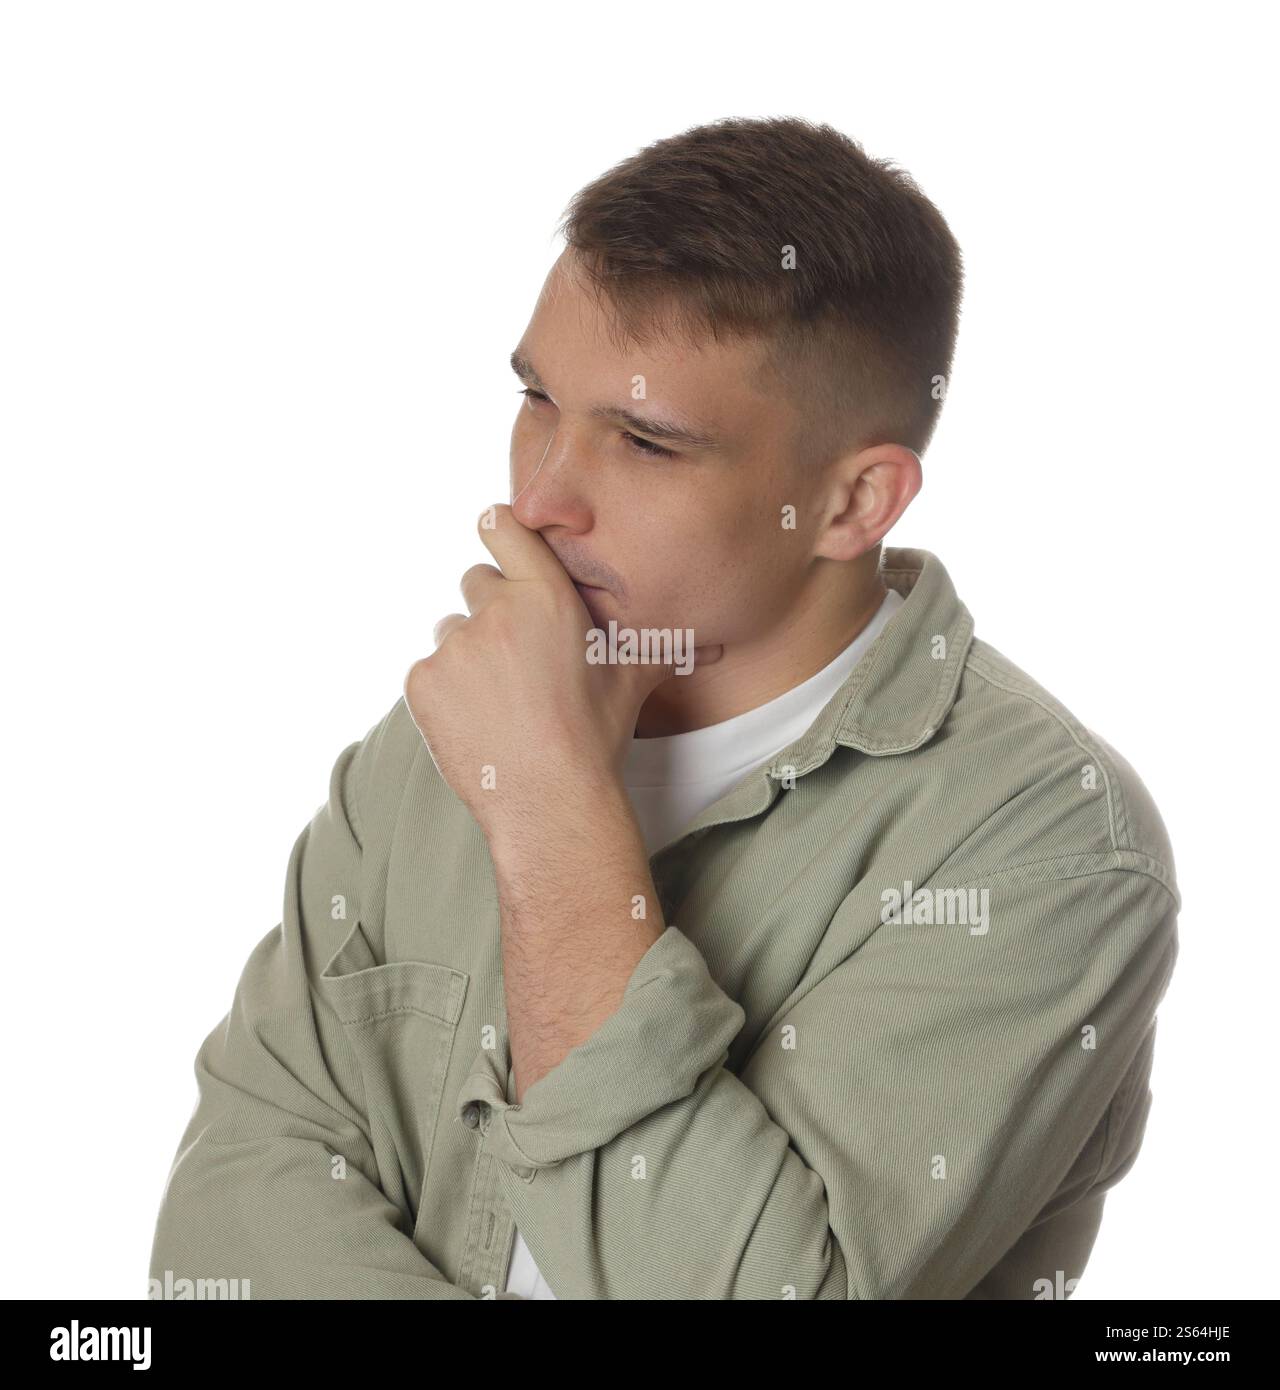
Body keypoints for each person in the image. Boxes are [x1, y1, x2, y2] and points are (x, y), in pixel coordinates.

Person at [149, 116, 1178, 1300]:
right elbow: (229, 1211)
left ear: (850, 503)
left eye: (643, 440)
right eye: (537, 396)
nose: (534, 499)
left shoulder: (1047, 845)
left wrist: (546, 809)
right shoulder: (446, 727)